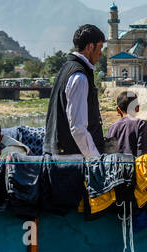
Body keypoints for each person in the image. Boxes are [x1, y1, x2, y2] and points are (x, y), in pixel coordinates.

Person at [45, 24, 106, 156]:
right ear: (90, 47)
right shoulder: (79, 77)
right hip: (73, 159)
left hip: (61, 156)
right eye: (100, 48)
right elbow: (78, 128)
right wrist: (95, 160)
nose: (101, 53)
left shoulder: (66, 69)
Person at [106, 91, 147, 156]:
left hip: (116, 165)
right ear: (137, 108)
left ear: (118, 110)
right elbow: (144, 154)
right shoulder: (142, 125)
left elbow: (108, 156)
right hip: (135, 165)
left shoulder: (111, 128)